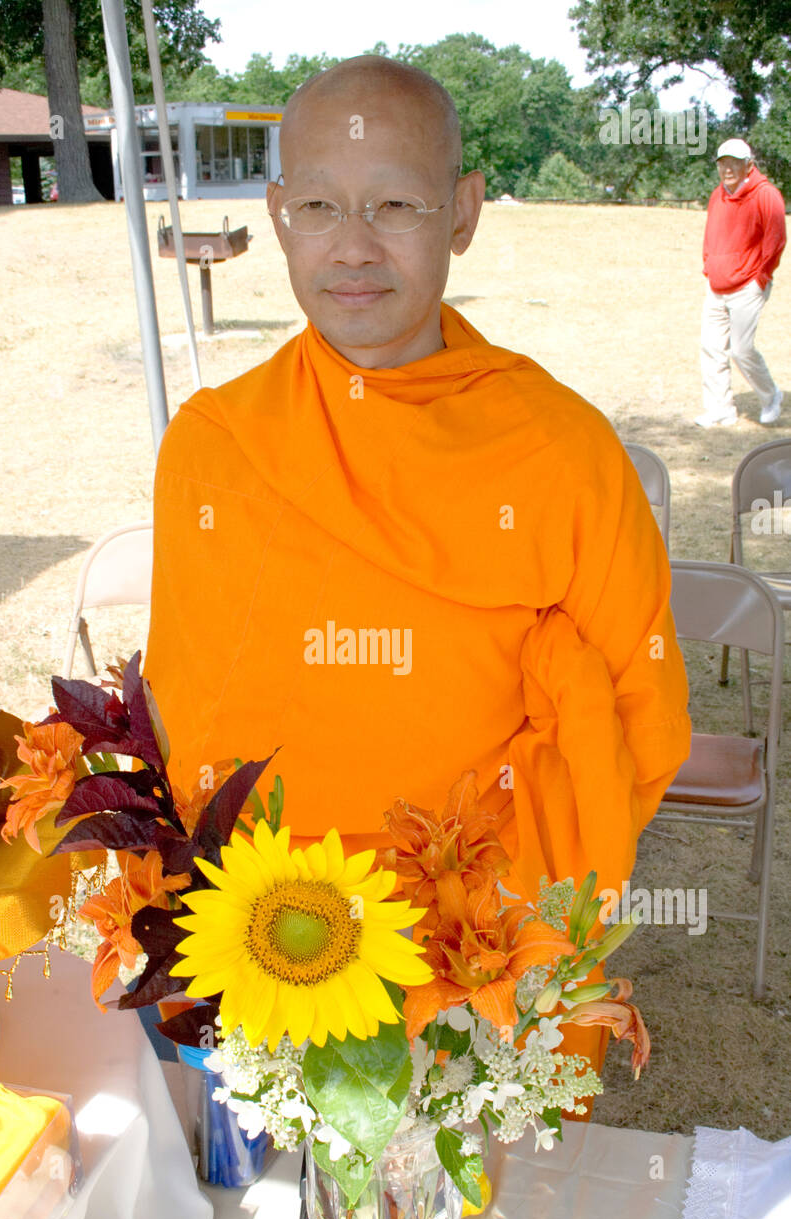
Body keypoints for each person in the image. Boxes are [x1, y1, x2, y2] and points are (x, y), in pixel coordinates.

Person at [144, 55, 691, 1096]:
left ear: (462, 212)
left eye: (394, 203)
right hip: (265, 953)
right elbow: (186, 715)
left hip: (478, 966)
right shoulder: (216, 444)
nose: (351, 247)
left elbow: (636, 724)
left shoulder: (559, 451)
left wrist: (493, 917)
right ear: (276, 215)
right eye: (317, 205)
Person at [697, 138, 786, 428]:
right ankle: (720, 410)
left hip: (748, 285)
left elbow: (775, 240)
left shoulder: (766, 195)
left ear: (749, 165)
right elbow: (712, 235)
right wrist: (710, 266)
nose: (728, 169)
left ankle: (771, 396)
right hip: (717, 285)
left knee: (741, 349)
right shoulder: (716, 195)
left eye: (734, 162)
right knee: (711, 348)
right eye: (722, 163)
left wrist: (761, 277)